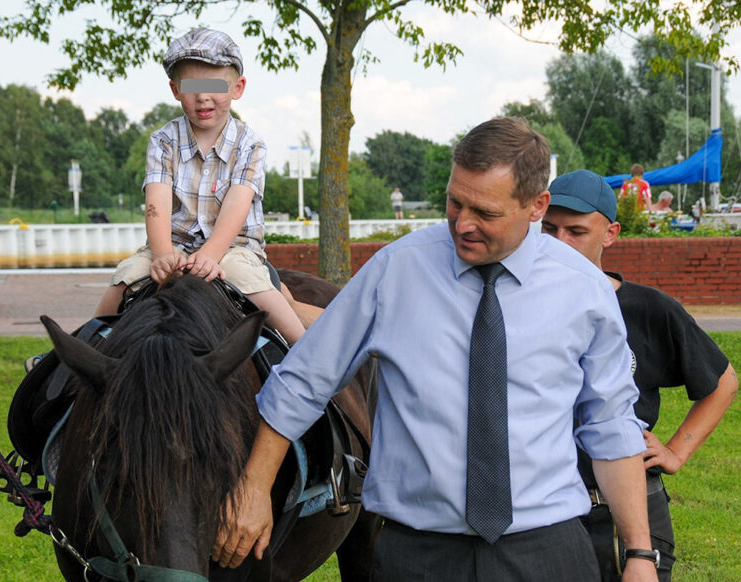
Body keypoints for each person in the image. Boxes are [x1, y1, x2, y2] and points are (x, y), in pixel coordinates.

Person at [212, 118, 659, 581]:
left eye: (484, 213)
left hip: (546, 552)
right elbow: (304, 378)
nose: (463, 224)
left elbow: (610, 424)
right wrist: (254, 485)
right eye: (454, 202)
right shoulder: (396, 271)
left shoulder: (584, 290)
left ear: (536, 207)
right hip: (416, 556)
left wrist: (640, 554)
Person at [542, 169, 738, 582]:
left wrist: (676, 451)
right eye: (548, 228)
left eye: (576, 231)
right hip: (545, 513)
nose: (559, 243)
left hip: (628, 512)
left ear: (610, 233)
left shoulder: (648, 309)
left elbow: (723, 381)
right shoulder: (519, 306)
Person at [93, 28, 305, 344]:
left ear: (238, 88)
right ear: (176, 90)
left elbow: (238, 202)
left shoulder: (250, 144)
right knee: (125, 279)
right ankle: (82, 354)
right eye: (192, 87)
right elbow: (157, 202)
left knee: (252, 285)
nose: (203, 97)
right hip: (173, 243)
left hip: (232, 247)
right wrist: (163, 254)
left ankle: (307, 352)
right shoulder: (163, 141)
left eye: (215, 86)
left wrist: (211, 253)